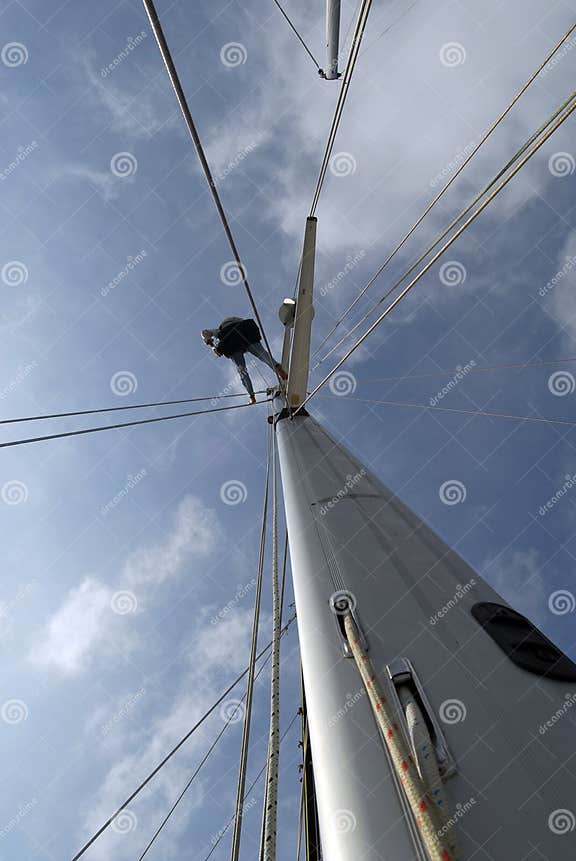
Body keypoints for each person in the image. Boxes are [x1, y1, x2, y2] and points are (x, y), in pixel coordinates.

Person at [201, 317, 287, 404]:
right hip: (245, 330)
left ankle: (251, 395)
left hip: (230, 339)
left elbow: (205, 332)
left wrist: (212, 346)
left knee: (242, 370)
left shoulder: (219, 330)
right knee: (262, 354)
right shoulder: (233, 323)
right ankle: (277, 368)